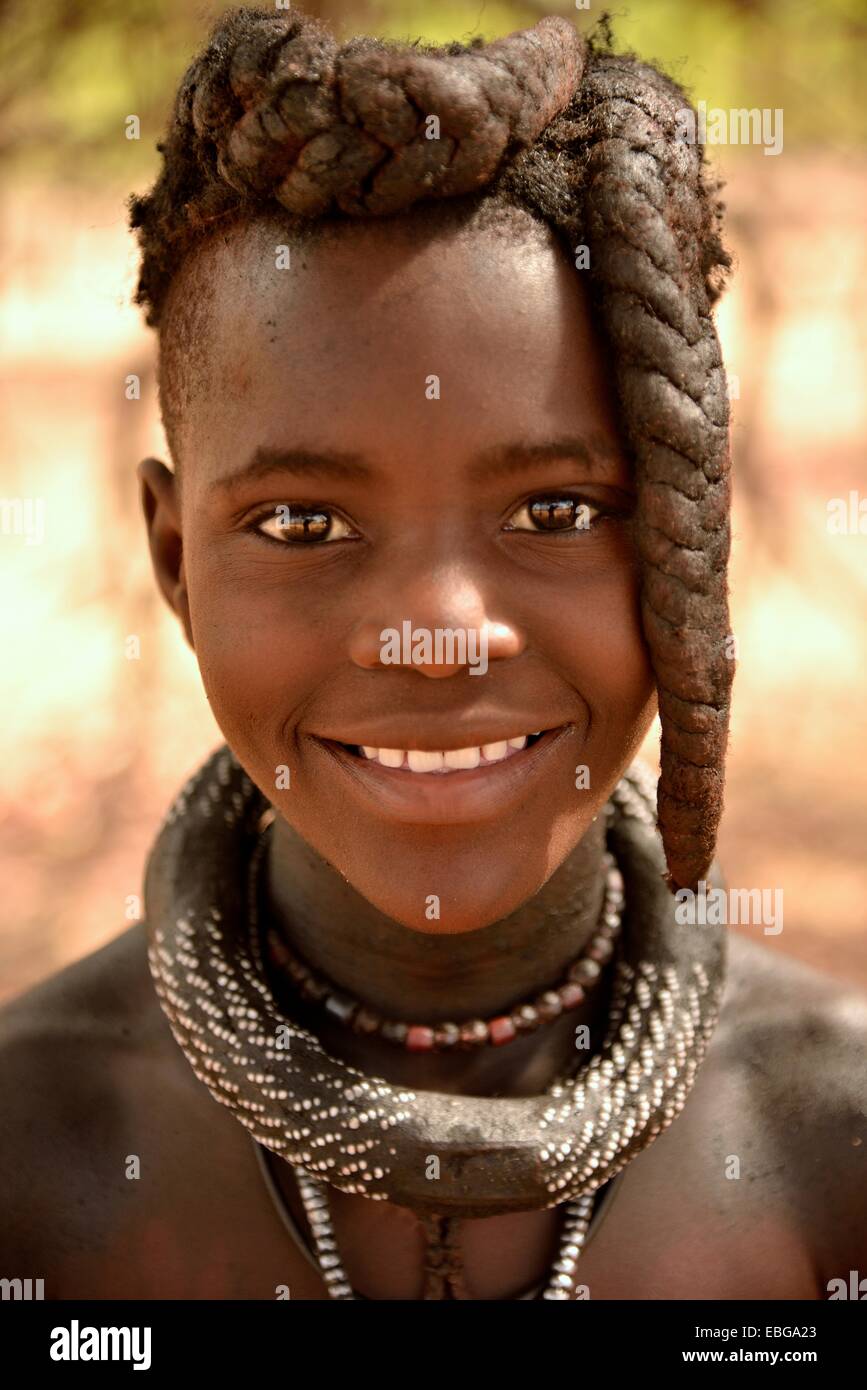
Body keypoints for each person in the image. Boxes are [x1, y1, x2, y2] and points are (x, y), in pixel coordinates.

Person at [1, 7, 865, 1301]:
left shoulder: (829, 1140)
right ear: (177, 562)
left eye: (556, 512)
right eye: (304, 523)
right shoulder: (33, 1159)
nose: (443, 632)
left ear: (693, 532)